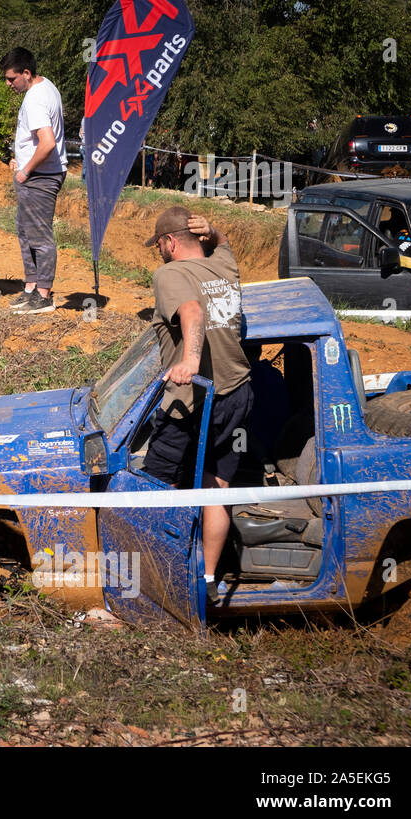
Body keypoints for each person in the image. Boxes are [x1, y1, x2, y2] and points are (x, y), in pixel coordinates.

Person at [143, 208, 253, 606]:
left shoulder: (168, 275)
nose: (159, 251)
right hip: (237, 392)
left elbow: (192, 312)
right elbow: (223, 243)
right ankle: (207, 579)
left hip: (194, 402)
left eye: (159, 245)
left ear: (169, 243)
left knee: (155, 487)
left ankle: (160, 576)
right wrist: (215, 230)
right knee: (215, 488)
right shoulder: (223, 264)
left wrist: (189, 360)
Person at [1, 47, 67, 314]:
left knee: (39, 234)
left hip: (41, 177)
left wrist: (26, 169)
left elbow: (48, 143)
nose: (8, 84)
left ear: (26, 73)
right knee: (26, 230)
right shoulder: (44, 87)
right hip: (38, 174)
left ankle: (43, 295)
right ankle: (31, 288)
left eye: (11, 78)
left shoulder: (36, 99)